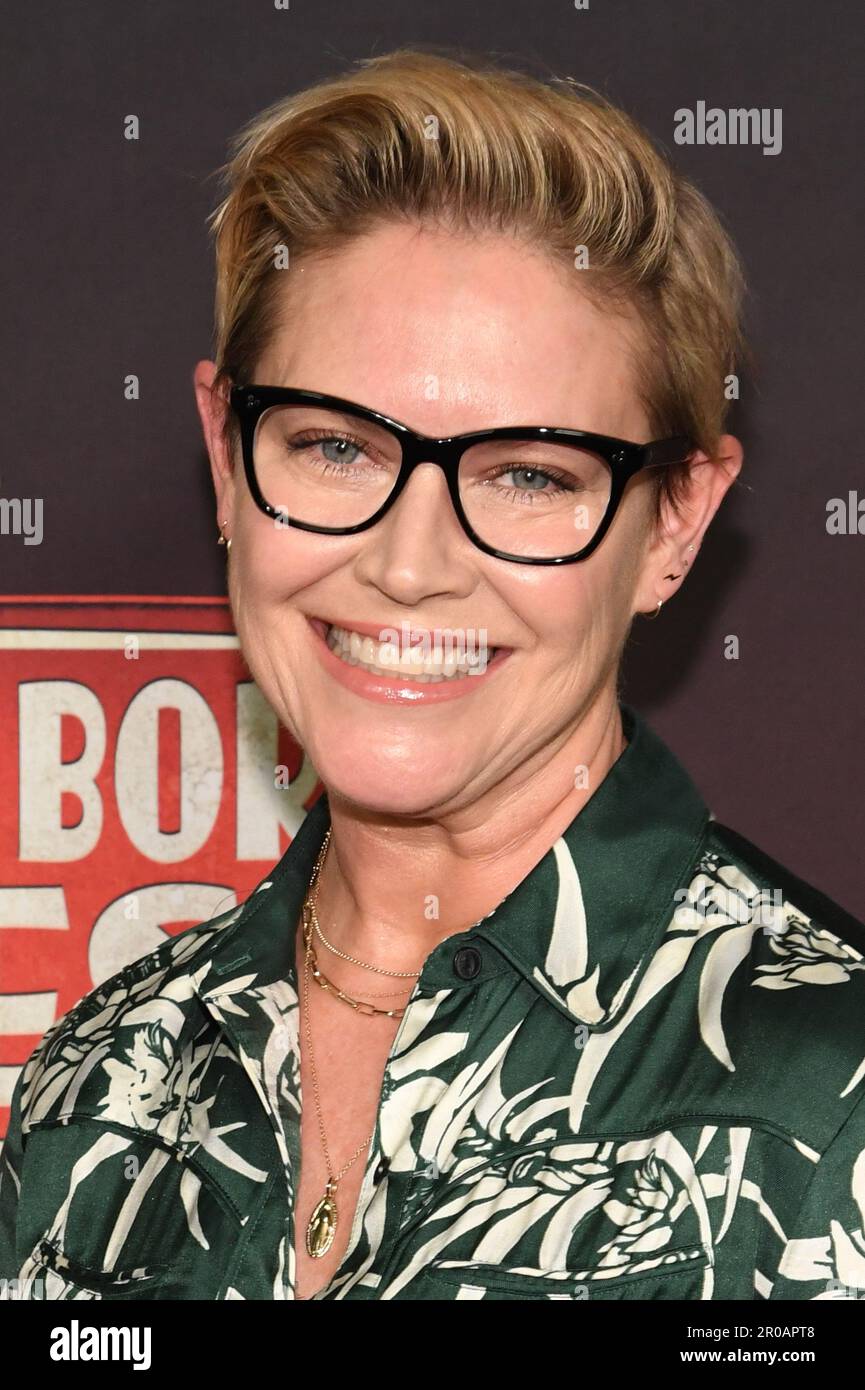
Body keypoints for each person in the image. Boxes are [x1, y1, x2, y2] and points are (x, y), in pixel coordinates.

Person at [2, 47, 864, 1303]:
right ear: (226, 456)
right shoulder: (102, 1069)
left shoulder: (834, 1104)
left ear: (675, 522)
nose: (409, 566)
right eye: (336, 447)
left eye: (529, 474)